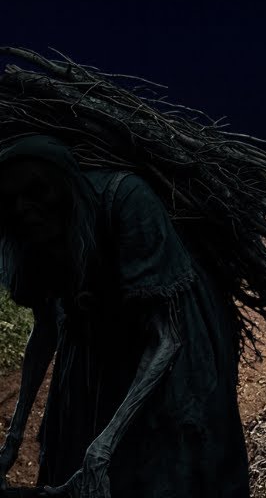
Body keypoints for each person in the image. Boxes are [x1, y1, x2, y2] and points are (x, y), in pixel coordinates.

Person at [0, 135, 250, 498]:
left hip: (166, 332)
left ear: (64, 186)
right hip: (93, 336)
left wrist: (102, 449)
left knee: (165, 457)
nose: (24, 208)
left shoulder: (126, 199)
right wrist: (13, 437)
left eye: (37, 192)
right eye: (10, 201)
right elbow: (45, 327)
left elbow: (167, 338)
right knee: (75, 446)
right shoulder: (27, 233)